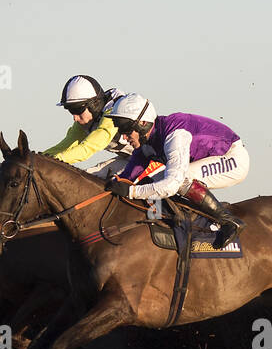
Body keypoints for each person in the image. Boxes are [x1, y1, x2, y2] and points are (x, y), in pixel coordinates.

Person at [101, 94, 250, 249]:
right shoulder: (146, 142)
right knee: (153, 180)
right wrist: (113, 184)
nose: (124, 138)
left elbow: (172, 185)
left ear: (143, 123)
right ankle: (157, 221)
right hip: (212, 157)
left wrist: (132, 192)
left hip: (233, 158)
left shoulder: (175, 135)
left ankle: (229, 221)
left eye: (127, 131)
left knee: (179, 180)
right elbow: (128, 178)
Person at [42, 75, 141, 177]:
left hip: (152, 158)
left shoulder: (113, 113)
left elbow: (87, 148)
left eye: (77, 110)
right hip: (132, 159)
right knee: (85, 180)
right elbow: (64, 146)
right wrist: (37, 159)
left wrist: (50, 164)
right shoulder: (85, 120)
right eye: (71, 111)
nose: (75, 118)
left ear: (94, 104)